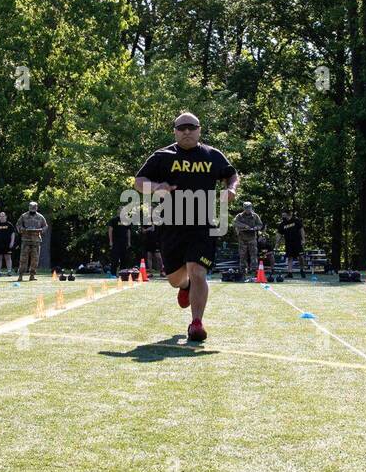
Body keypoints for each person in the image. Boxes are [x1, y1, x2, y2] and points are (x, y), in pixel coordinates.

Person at [135, 111, 239, 342]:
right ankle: (185, 286)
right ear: (174, 131)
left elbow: (232, 175)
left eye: (191, 127)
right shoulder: (163, 155)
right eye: (181, 128)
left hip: (202, 224)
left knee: (198, 270)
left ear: (199, 129)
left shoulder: (212, 155)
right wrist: (155, 187)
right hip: (171, 225)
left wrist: (231, 189)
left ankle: (196, 323)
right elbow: (139, 181)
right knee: (175, 279)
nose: (186, 131)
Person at [16, 202, 48, 282]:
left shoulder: (40, 217)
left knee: (35, 259)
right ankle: (20, 275)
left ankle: (32, 275)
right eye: (31, 208)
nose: (32, 209)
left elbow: (45, 226)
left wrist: (41, 230)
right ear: (29, 208)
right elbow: (18, 225)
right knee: (23, 259)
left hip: (36, 240)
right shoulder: (24, 216)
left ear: (36, 208)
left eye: (34, 208)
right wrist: (22, 229)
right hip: (26, 240)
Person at [233, 202, 264, 279]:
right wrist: (244, 226)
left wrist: (256, 228)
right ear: (244, 208)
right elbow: (235, 223)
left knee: (253, 255)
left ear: (251, 208)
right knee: (242, 255)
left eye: (249, 208)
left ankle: (254, 271)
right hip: (242, 238)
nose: (248, 209)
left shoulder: (255, 216)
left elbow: (260, 225)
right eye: (246, 208)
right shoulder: (239, 216)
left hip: (252, 238)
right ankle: (243, 272)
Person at [108, 206, 132, 277]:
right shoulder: (113, 220)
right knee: (114, 258)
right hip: (115, 242)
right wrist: (110, 241)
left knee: (124, 259)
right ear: (118, 211)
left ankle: (123, 274)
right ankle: (113, 274)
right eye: (120, 210)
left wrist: (129, 242)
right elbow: (110, 230)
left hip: (124, 242)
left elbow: (128, 232)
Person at [0, 211, 15, 276]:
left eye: (3, 216)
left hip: (7, 244)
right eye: (0, 216)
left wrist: (12, 242)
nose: (2, 217)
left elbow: (13, 234)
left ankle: (9, 271)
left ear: (6, 217)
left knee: (8, 257)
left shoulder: (9, 224)